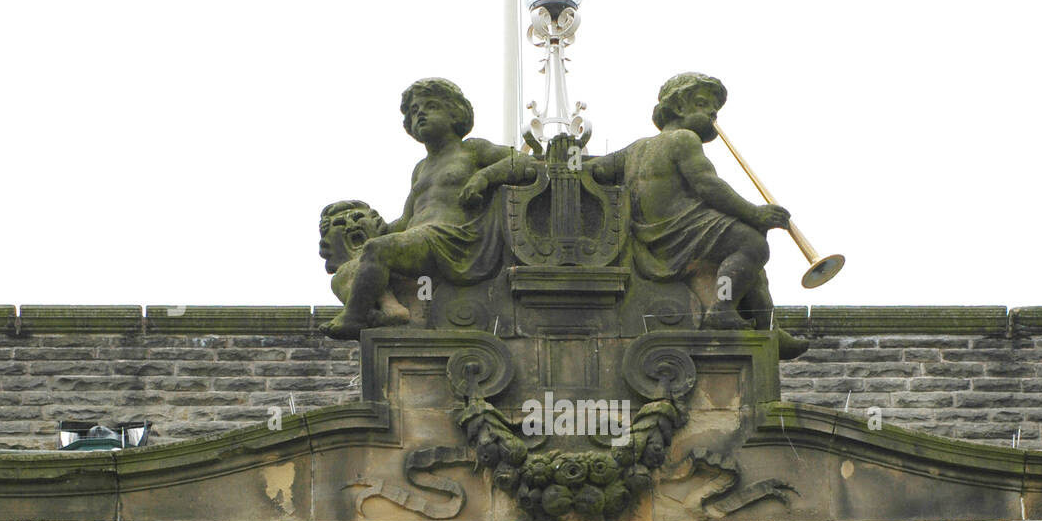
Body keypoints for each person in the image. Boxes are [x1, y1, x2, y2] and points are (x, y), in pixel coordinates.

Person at [590, 73, 808, 357]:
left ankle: (769, 325)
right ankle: (723, 307)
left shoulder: (633, 150)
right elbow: (708, 185)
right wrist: (754, 213)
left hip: (656, 236)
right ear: (679, 108)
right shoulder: (684, 139)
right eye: (704, 105)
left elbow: (595, 169)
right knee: (751, 243)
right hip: (680, 233)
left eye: (714, 110)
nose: (712, 115)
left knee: (751, 267)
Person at [322, 79, 537, 340]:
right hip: (422, 236)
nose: (420, 113)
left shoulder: (471, 150)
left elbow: (523, 161)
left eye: (430, 106)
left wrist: (483, 177)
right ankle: (393, 311)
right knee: (346, 272)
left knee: (377, 250)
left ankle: (354, 318)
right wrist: (363, 226)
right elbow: (407, 220)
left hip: (454, 239)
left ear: (455, 113)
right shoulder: (421, 169)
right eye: (414, 111)